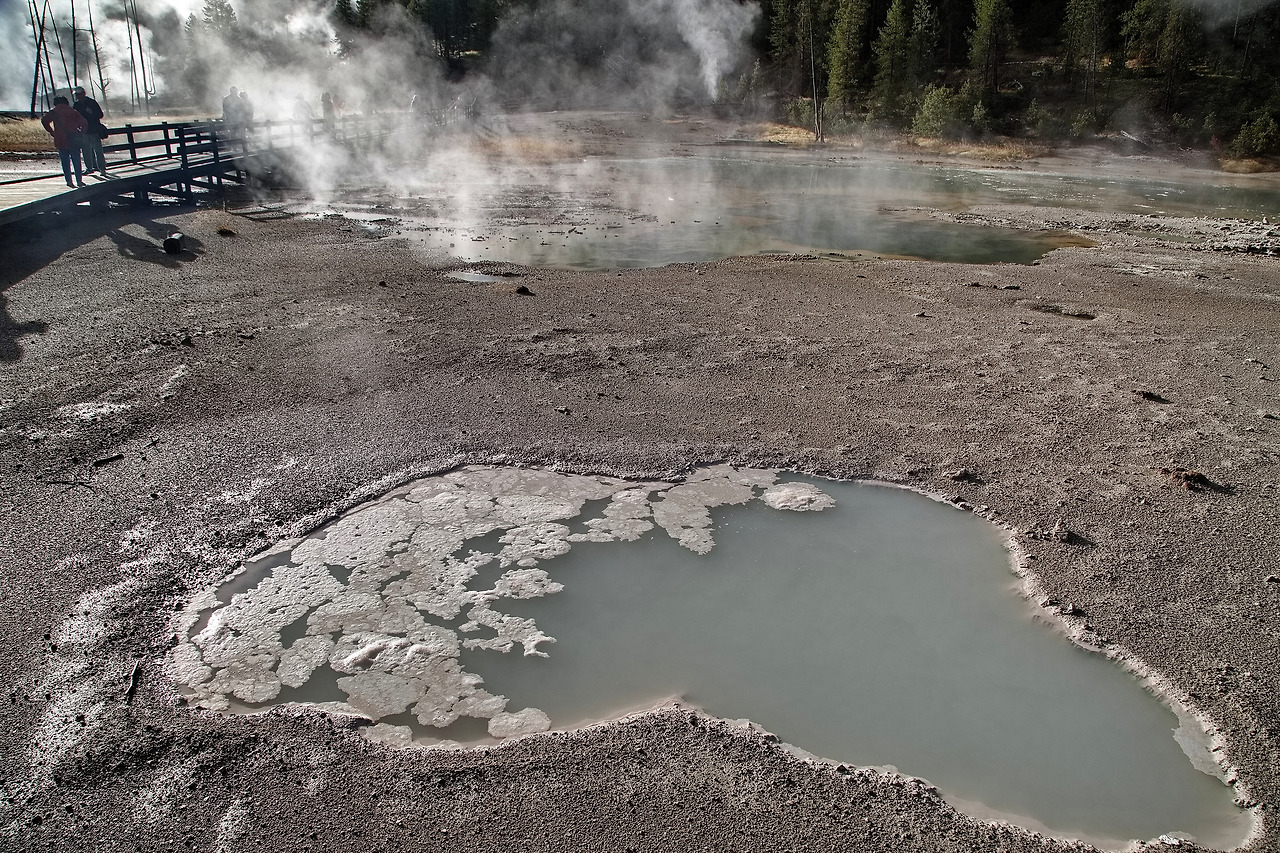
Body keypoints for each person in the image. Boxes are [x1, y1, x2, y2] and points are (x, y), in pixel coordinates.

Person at [41, 95, 88, 188]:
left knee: (65, 162)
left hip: (60, 139)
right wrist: (81, 133)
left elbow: (44, 121)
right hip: (74, 139)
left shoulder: (53, 112)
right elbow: (84, 123)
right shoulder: (72, 111)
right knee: (76, 160)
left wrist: (51, 131)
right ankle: (79, 180)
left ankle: (69, 181)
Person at [72, 86, 108, 175]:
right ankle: (89, 168)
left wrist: (91, 112)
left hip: (94, 129)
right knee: (85, 151)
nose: (77, 96)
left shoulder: (92, 102)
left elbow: (100, 115)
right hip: (83, 131)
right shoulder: (76, 105)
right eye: (76, 94)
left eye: (79, 94)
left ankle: (102, 169)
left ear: (83, 93)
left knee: (98, 150)